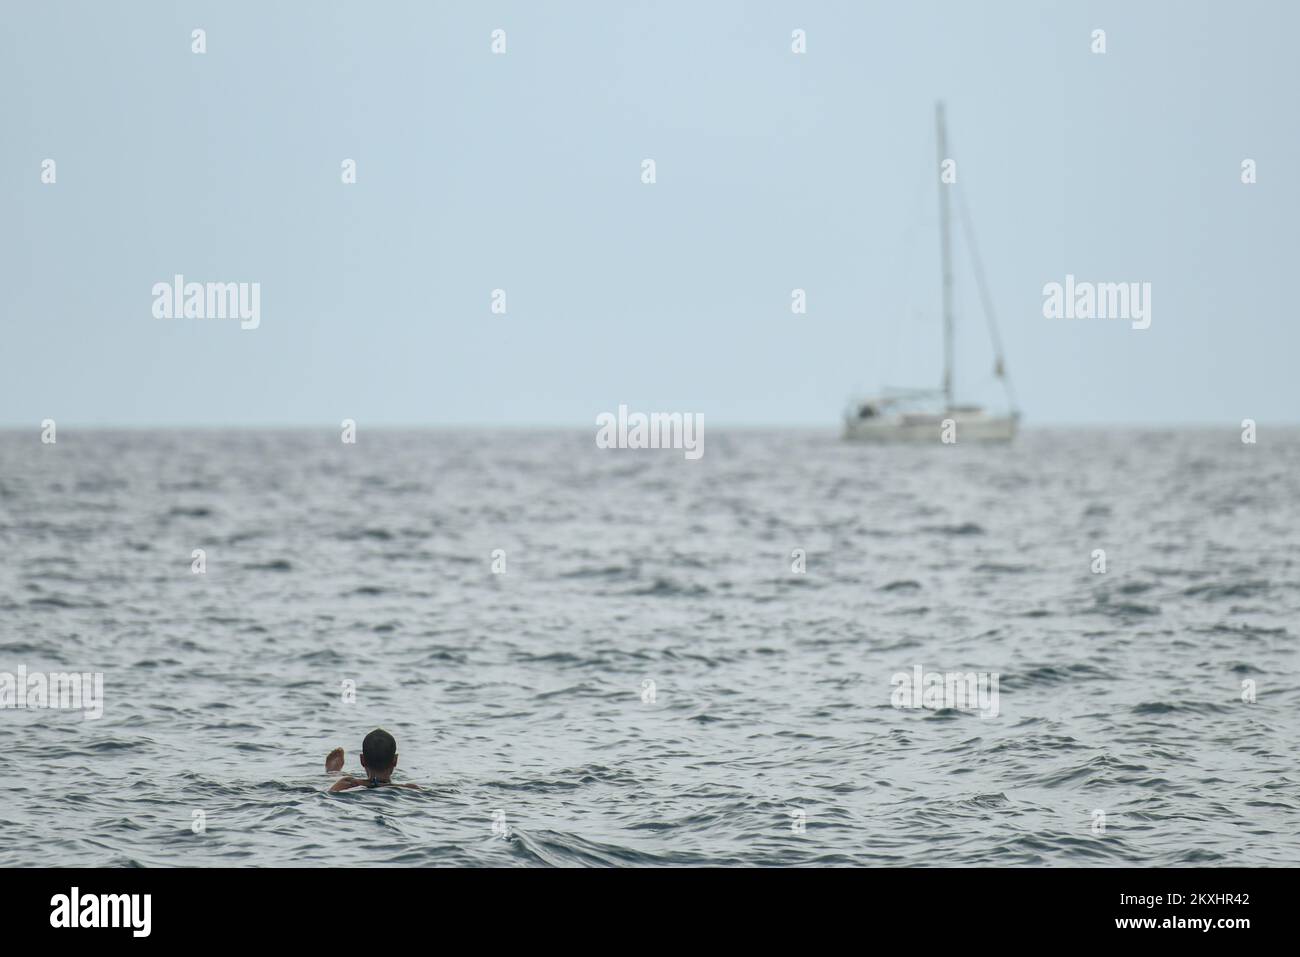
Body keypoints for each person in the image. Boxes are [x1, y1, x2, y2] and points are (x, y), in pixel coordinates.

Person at [325, 728, 421, 792]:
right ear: (395, 760)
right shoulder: (410, 789)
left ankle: (333, 772)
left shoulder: (347, 784)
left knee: (339, 777)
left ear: (362, 760)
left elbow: (329, 795)